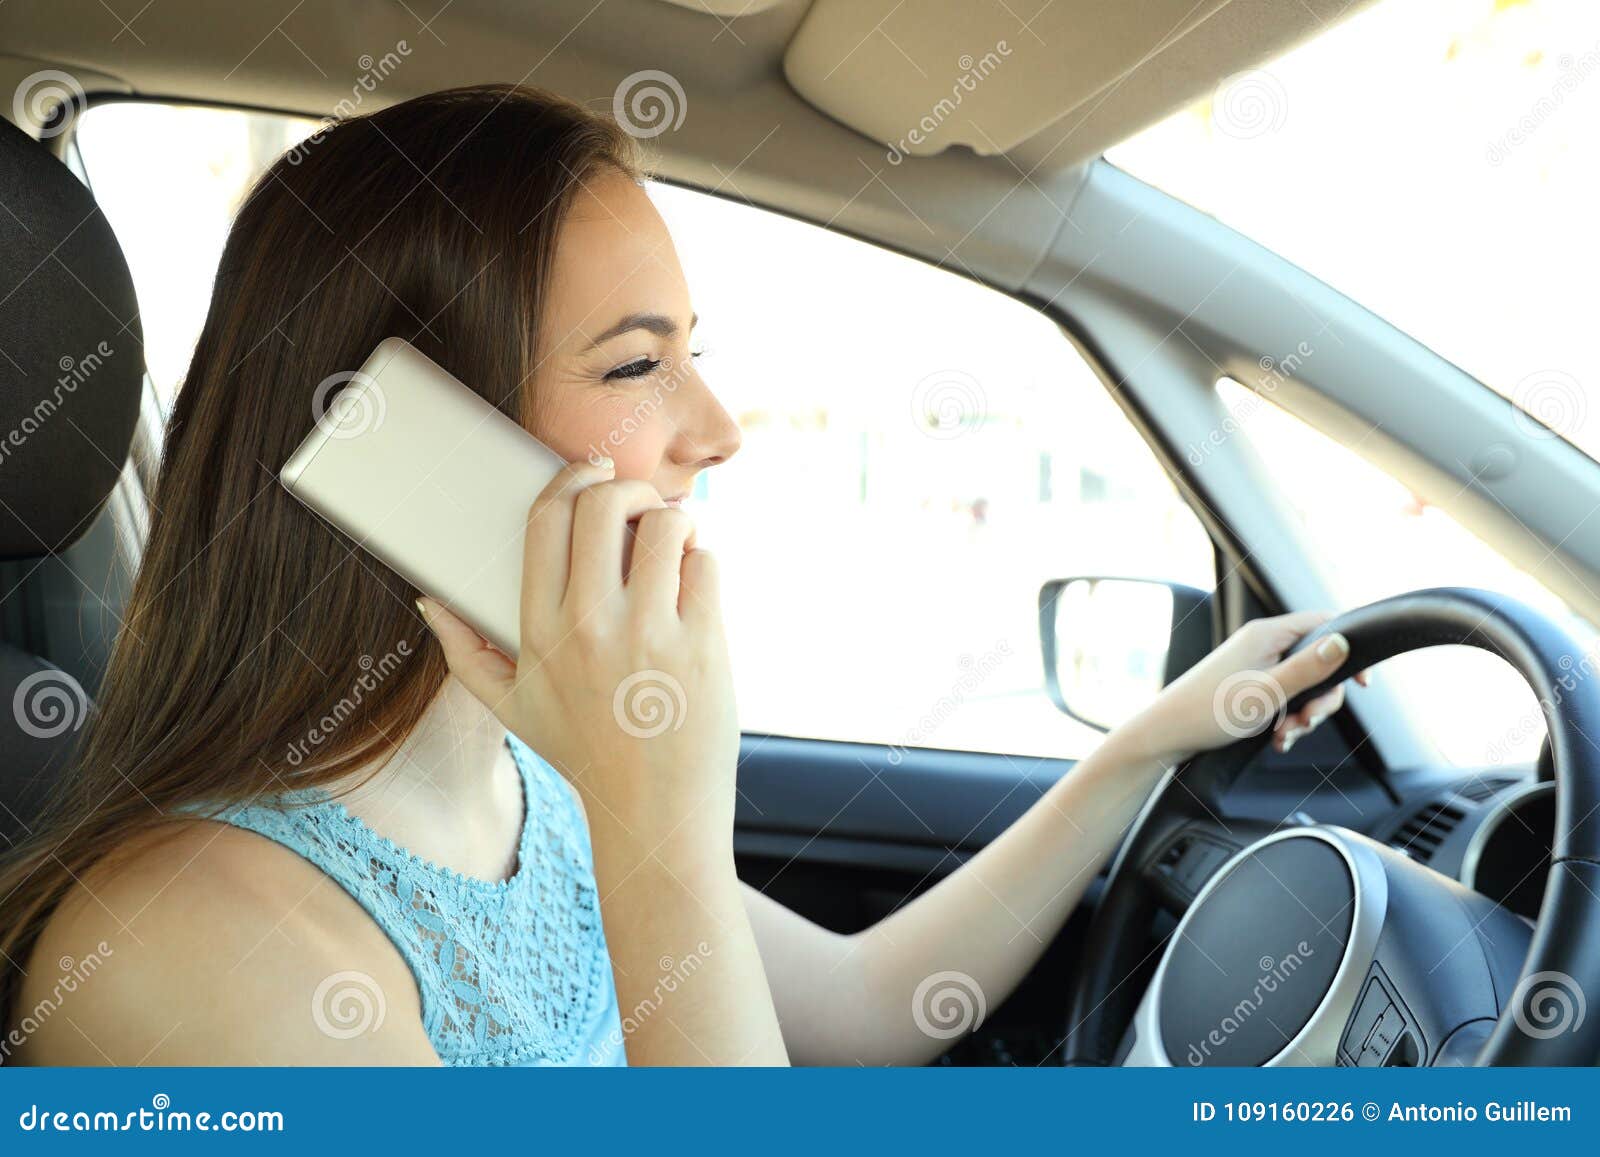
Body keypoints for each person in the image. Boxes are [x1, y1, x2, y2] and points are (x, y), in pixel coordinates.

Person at [0, 85, 1356, 1066]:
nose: (717, 432)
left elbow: (869, 1005)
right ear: (397, 434)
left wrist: (1154, 737)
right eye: (639, 365)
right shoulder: (189, 953)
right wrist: (657, 827)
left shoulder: (536, 780)